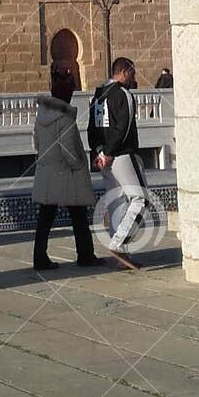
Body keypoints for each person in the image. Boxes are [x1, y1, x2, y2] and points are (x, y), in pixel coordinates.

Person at [31, 69, 102, 271]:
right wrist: (79, 165)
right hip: (65, 173)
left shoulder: (41, 116)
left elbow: (36, 142)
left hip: (46, 171)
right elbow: (68, 149)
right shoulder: (64, 118)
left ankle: (39, 257)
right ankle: (85, 255)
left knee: (45, 217)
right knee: (78, 214)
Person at [87, 56, 146, 271]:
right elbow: (124, 126)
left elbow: (92, 128)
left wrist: (99, 152)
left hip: (105, 157)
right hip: (121, 154)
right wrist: (110, 152)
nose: (134, 77)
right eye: (132, 73)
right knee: (142, 198)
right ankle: (120, 243)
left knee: (117, 202)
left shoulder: (98, 95)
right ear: (123, 72)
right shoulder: (123, 94)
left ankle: (121, 255)